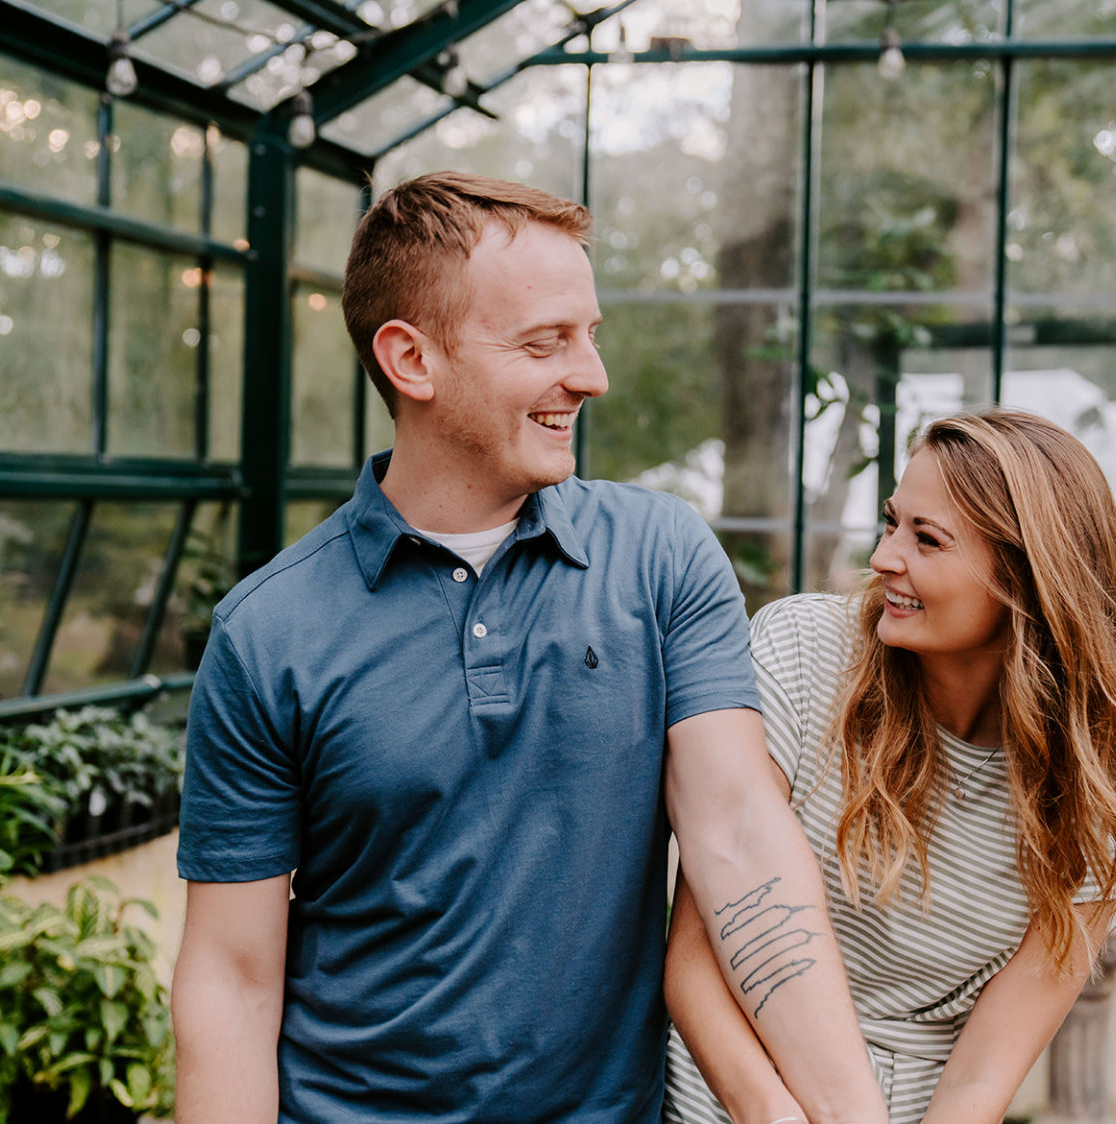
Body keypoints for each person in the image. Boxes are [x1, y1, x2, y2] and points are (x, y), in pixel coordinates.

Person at [170, 172, 890, 1124]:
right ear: (410, 360)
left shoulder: (661, 559)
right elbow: (231, 976)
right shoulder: (269, 632)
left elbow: (742, 841)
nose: (591, 376)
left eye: (591, 335)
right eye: (545, 342)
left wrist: (850, 1115)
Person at [663, 408, 1116, 1124]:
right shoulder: (802, 654)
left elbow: (981, 1081)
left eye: (927, 540)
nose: (885, 558)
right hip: (722, 1101)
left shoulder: (1106, 807)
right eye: (893, 523)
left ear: (1026, 580)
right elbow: (695, 959)